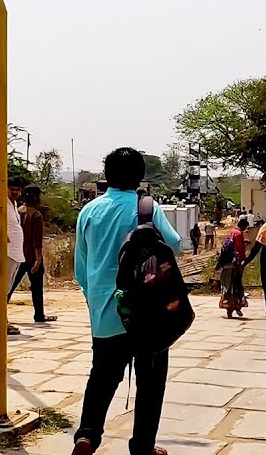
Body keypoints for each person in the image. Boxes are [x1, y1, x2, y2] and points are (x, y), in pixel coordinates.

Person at [72, 147, 182, 455]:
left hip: (106, 315)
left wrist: (96, 298)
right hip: (148, 315)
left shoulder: (89, 211)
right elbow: (174, 244)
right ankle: (143, 446)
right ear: (140, 176)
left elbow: (81, 269)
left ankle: (87, 435)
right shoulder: (147, 208)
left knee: (102, 377)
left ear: (106, 175)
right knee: (150, 382)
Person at [8, 186, 56, 323]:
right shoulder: (36, 215)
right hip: (31, 256)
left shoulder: (18, 211)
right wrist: (38, 258)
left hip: (17, 254)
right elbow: (37, 240)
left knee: (10, 285)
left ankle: (1, 312)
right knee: (36, 287)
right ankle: (39, 315)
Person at [5, 177, 27, 335]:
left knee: (7, 288)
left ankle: (3, 319)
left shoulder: (13, 204)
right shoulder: (1, 203)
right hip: (6, 251)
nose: (15, 193)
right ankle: (1, 320)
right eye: (12, 189)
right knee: (2, 289)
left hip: (15, 252)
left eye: (18, 190)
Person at [216, 214, 249, 318]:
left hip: (227, 265)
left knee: (228, 287)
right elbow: (239, 251)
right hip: (234, 265)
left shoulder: (232, 232)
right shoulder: (239, 233)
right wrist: (241, 264)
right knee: (235, 288)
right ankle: (235, 308)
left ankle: (230, 310)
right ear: (243, 226)